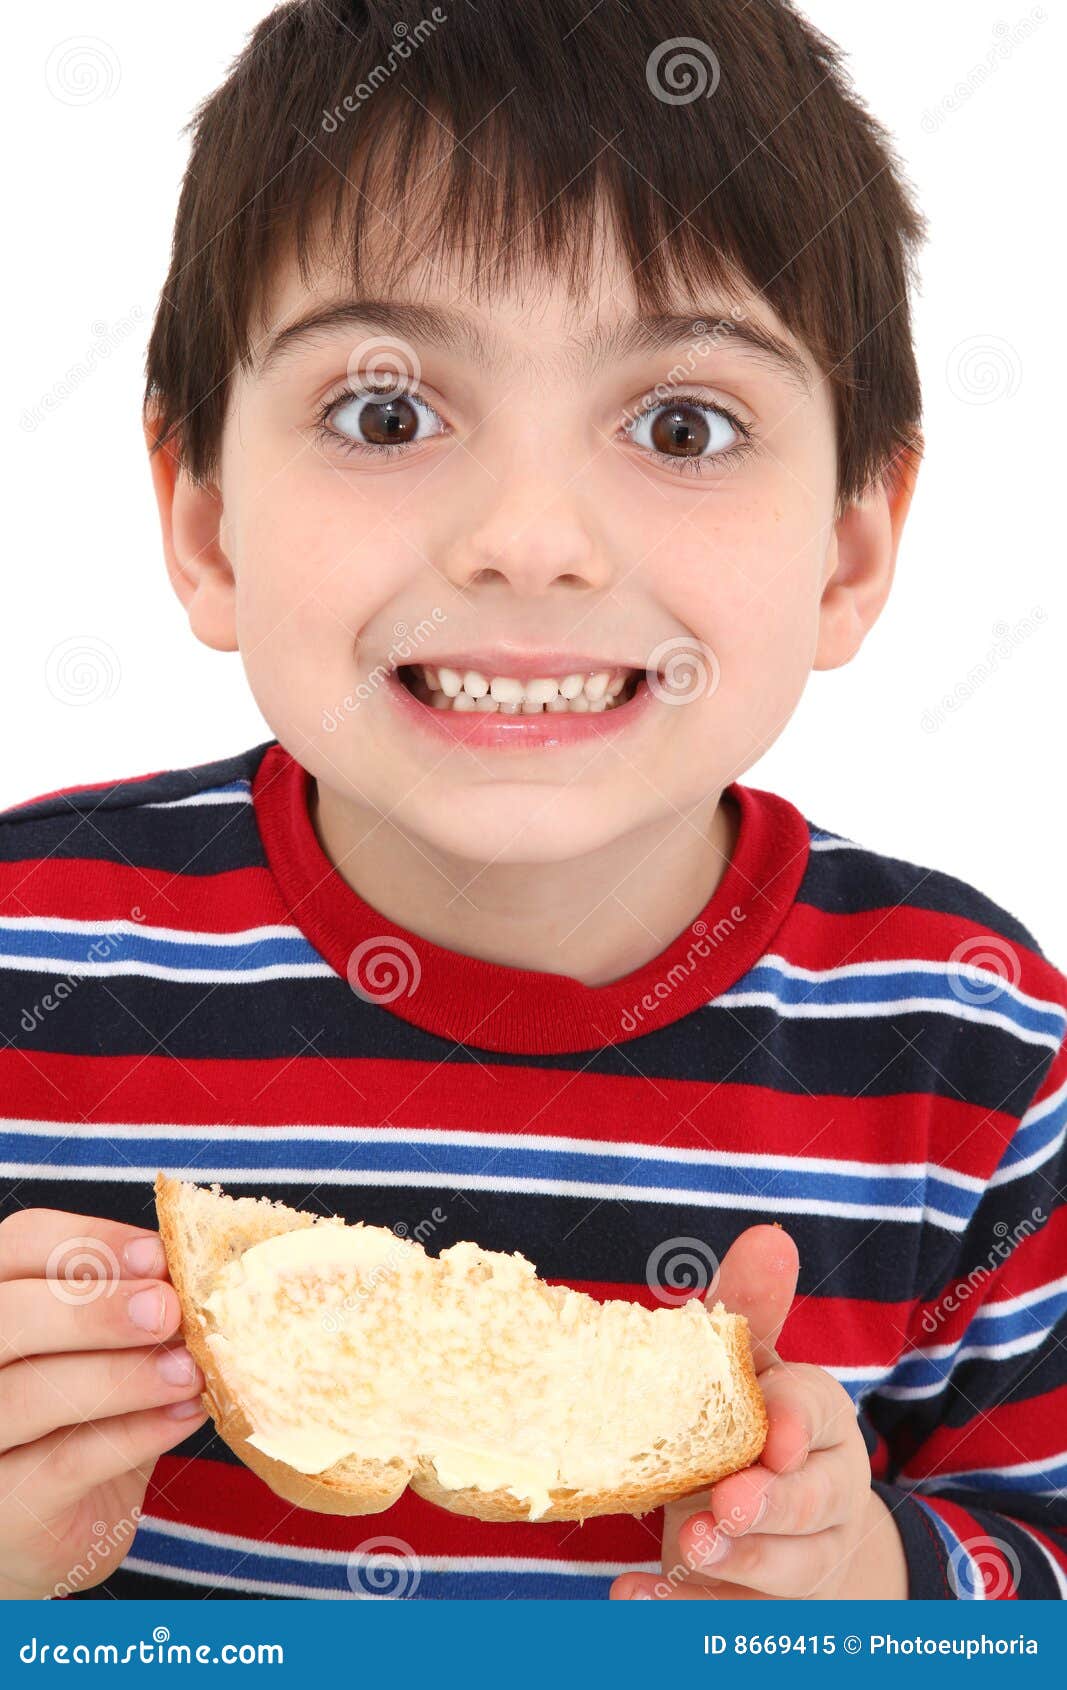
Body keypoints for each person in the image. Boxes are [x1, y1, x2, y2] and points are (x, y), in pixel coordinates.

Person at [1, 0, 1064, 1601]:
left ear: (852, 549)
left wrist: (877, 1591)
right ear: (206, 520)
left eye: (683, 424)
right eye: (386, 413)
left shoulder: (968, 1048)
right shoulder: (40, 955)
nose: (528, 538)